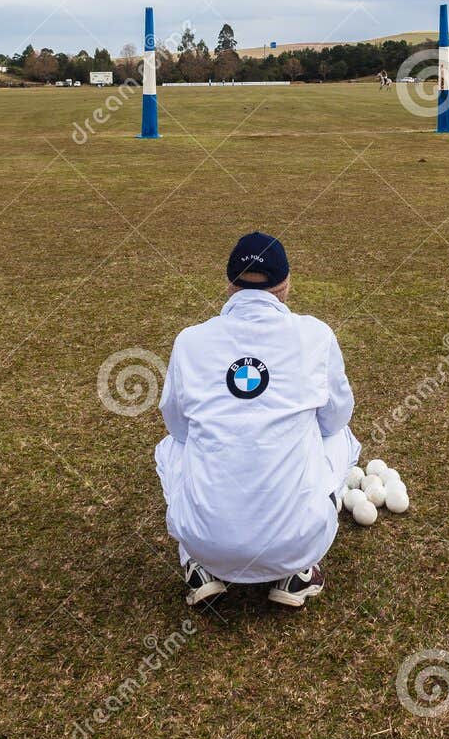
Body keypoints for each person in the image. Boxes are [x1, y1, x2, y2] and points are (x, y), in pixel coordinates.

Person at [154, 232, 360, 609]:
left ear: (229, 284)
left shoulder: (190, 340)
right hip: (295, 542)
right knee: (339, 435)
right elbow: (336, 419)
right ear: (286, 285)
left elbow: (177, 427)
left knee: (172, 446)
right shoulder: (315, 334)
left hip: (206, 542)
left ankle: (198, 565)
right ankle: (298, 571)